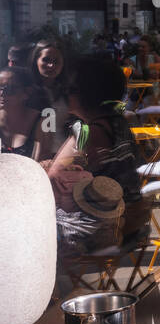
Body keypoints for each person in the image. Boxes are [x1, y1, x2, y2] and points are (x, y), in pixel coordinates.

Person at [61, 54, 149, 246]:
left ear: (87, 94)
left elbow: (54, 176)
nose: (65, 94)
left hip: (104, 230)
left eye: (70, 89)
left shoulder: (88, 132)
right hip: (136, 222)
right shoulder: (119, 122)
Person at [0, 67, 57, 160]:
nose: (2, 93)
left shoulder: (45, 120)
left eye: (9, 88)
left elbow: (43, 160)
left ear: (27, 92)